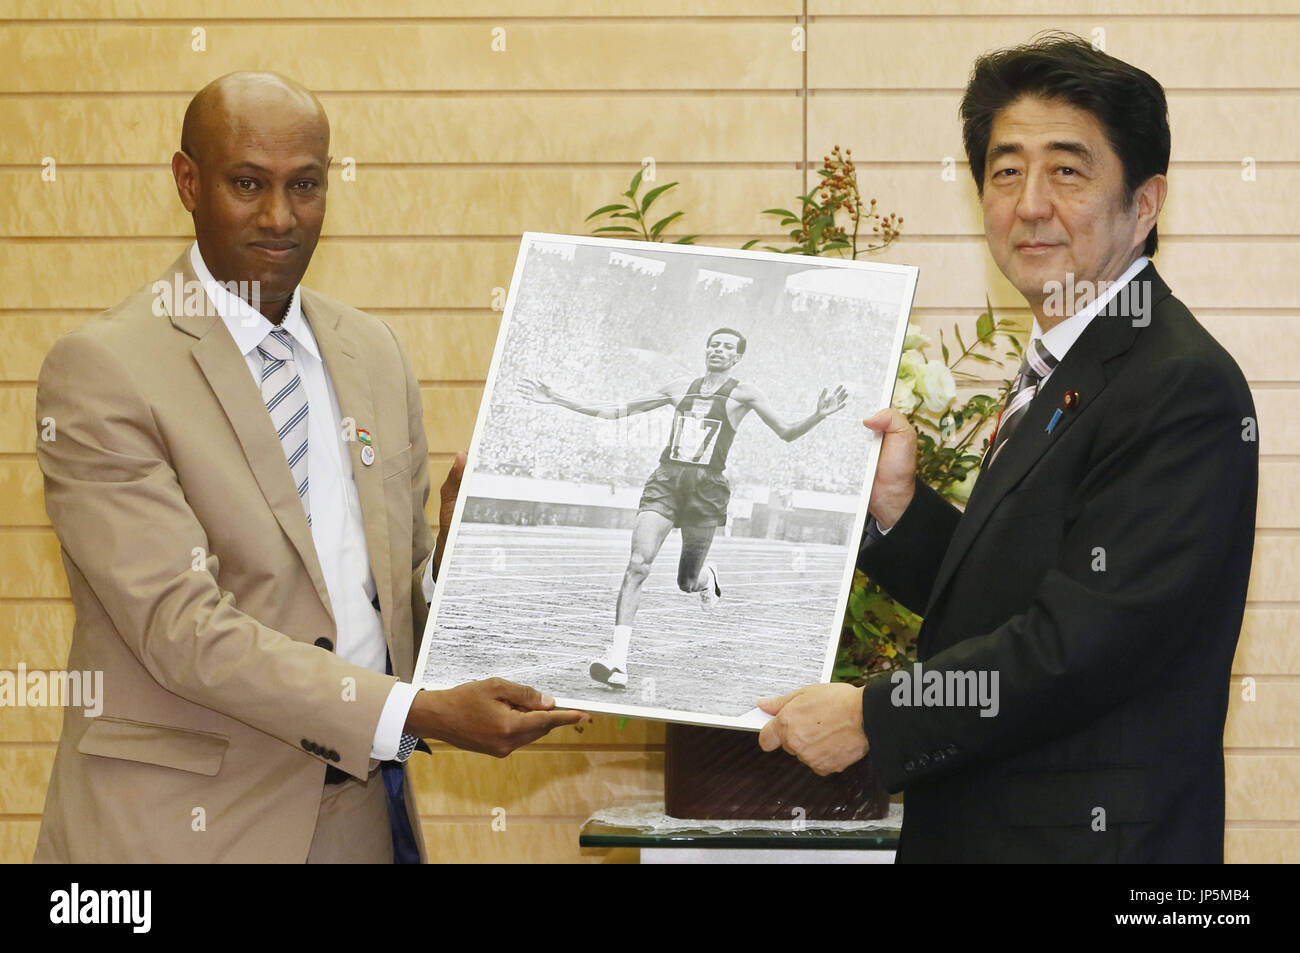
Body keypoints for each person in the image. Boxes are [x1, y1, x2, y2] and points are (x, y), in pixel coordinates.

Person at [32, 72, 585, 863]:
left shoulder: (374, 353)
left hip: (360, 823)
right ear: (187, 182)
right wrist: (417, 713)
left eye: (306, 186)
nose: (279, 217)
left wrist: (452, 573)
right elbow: (182, 629)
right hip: (179, 833)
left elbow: (384, 608)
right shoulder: (103, 371)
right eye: (248, 184)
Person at [756, 34, 1258, 862]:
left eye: (1067, 169)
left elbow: (1078, 647)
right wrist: (900, 511)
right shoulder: (1070, 362)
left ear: (1145, 203)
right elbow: (1014, 595)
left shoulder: (1179, 385)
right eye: (1004, 169)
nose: (1029, 203)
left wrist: (871, 719)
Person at [518, 328, 848, 688]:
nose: (718, 350)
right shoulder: (678, 387)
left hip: (707, 490)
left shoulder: (744, 393)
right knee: (637, 565)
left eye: (727, 348)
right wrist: (559, 399)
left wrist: (818, 415)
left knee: (686, 581)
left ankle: (707, 578)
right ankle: (618, 660)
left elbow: (785, 431)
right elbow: (616, 411)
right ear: (705, 349)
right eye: (714, 344)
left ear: (737, 357)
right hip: (666, 482)